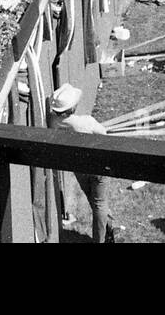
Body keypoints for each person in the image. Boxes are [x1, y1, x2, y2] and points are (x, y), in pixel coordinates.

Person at [48, 84, 115, 243]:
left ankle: (109, 226)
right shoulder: (86, 122)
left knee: (94, 200)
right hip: (98, 167)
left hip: (79, 167)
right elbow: (104, 135)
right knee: (99, 204)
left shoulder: (53, 122)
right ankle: (102, 238)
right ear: (72, 107)